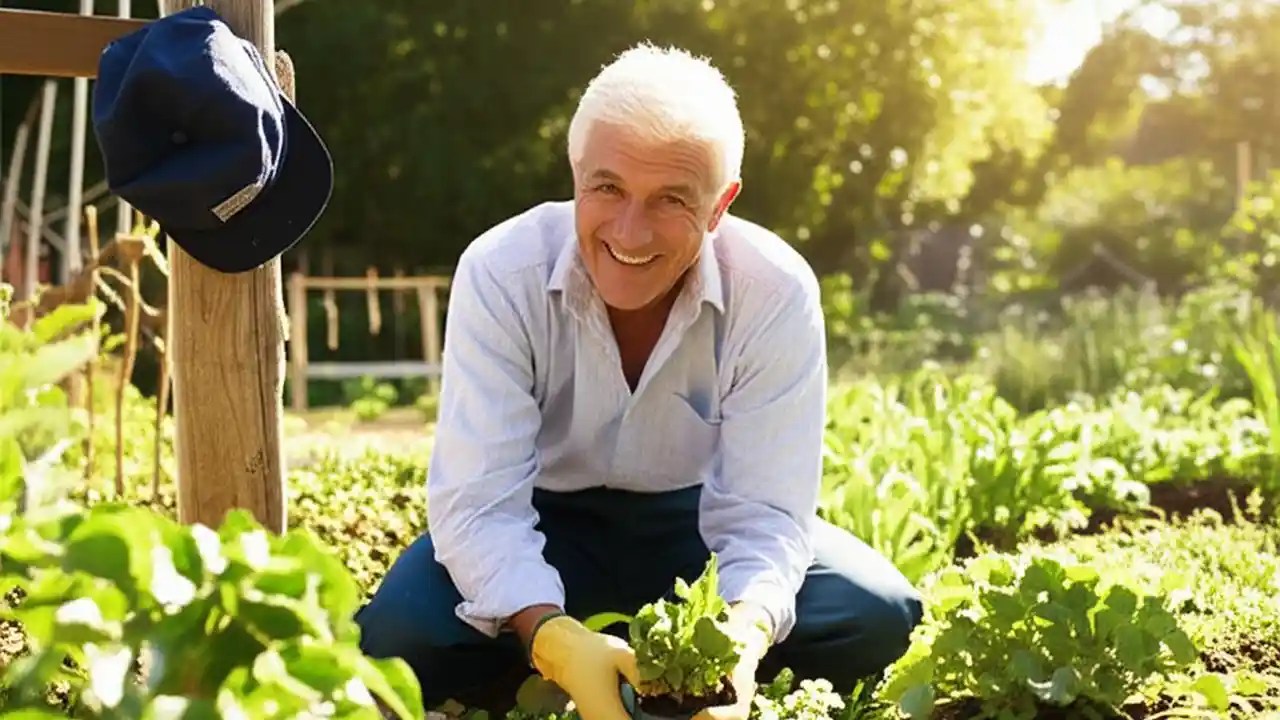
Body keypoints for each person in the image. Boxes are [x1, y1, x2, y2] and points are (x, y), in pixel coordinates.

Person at [356, 43, 923, 720]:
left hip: (694, 532)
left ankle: (637, 663)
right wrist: (551, 635)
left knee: (879, 614)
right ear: (575, 174)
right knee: (395, 639)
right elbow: (480, 505)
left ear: (720, 206)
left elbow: (765, 515)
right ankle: (580, 648)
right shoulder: (501, 273)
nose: (630, 230)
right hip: (544, 520)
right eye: (608, 188)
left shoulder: (773, 291)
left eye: (671, 200)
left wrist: (739, 641)